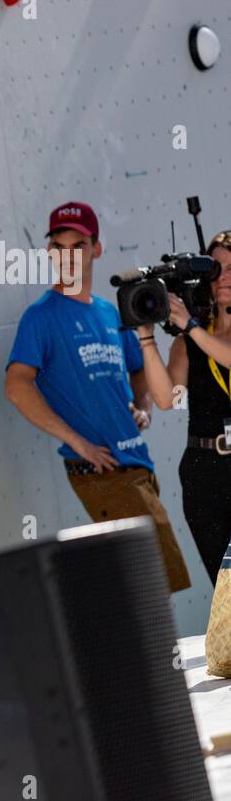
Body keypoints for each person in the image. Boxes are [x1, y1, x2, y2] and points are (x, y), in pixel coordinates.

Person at [4, 201, 191, 594]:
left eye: (78, 245)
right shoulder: (41, 317)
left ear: (96, 249)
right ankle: (155, 658)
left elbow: (138, 369)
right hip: (104, 472)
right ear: (49, 252)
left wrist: (142, 406)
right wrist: (77, 442)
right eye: (59, 246)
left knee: (150, 585)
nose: (67, 256)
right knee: (154, 584)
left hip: (137, 463)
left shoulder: (110, 312)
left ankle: (150, 656)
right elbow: (17, 385)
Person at [132, 230, 231, 583]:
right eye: (217, 269)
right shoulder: (190, 340)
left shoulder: (194, 334)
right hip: (205, 471)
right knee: (226, 593)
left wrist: (190, 327)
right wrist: (146, 337)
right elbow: (167, 398)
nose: (225, 278)